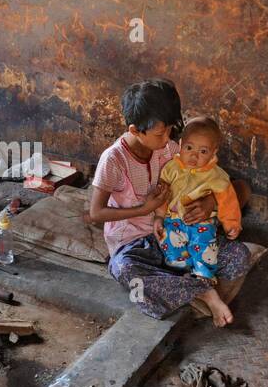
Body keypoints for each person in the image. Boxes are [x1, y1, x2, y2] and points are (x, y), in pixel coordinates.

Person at [88, 80, 249, 326]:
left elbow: (229, 186)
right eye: (159, 134)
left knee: (239, 255)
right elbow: (96, 213)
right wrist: (144, 209)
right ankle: (204, 291)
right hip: (136, 246)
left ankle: (177, 281)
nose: (167, 139)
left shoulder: (172, 148)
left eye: (170, 130)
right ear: (134, 131)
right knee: (125, 271)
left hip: (179, 235)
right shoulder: (113, 159)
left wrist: (210, 201)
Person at [154, 116, 241, 279]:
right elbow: (162, 195)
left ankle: (203, 275)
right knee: (169, 242)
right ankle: (180, 268)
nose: (194, 157)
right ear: (180, 145)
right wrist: (159, 216)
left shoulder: (217, 177)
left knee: (205, 247)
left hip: (202, 223)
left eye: (203, 151)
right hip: (173, 219)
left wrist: (231, 223)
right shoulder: (171, 168)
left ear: (213, 152)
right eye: (189, 148)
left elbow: (228, 202)